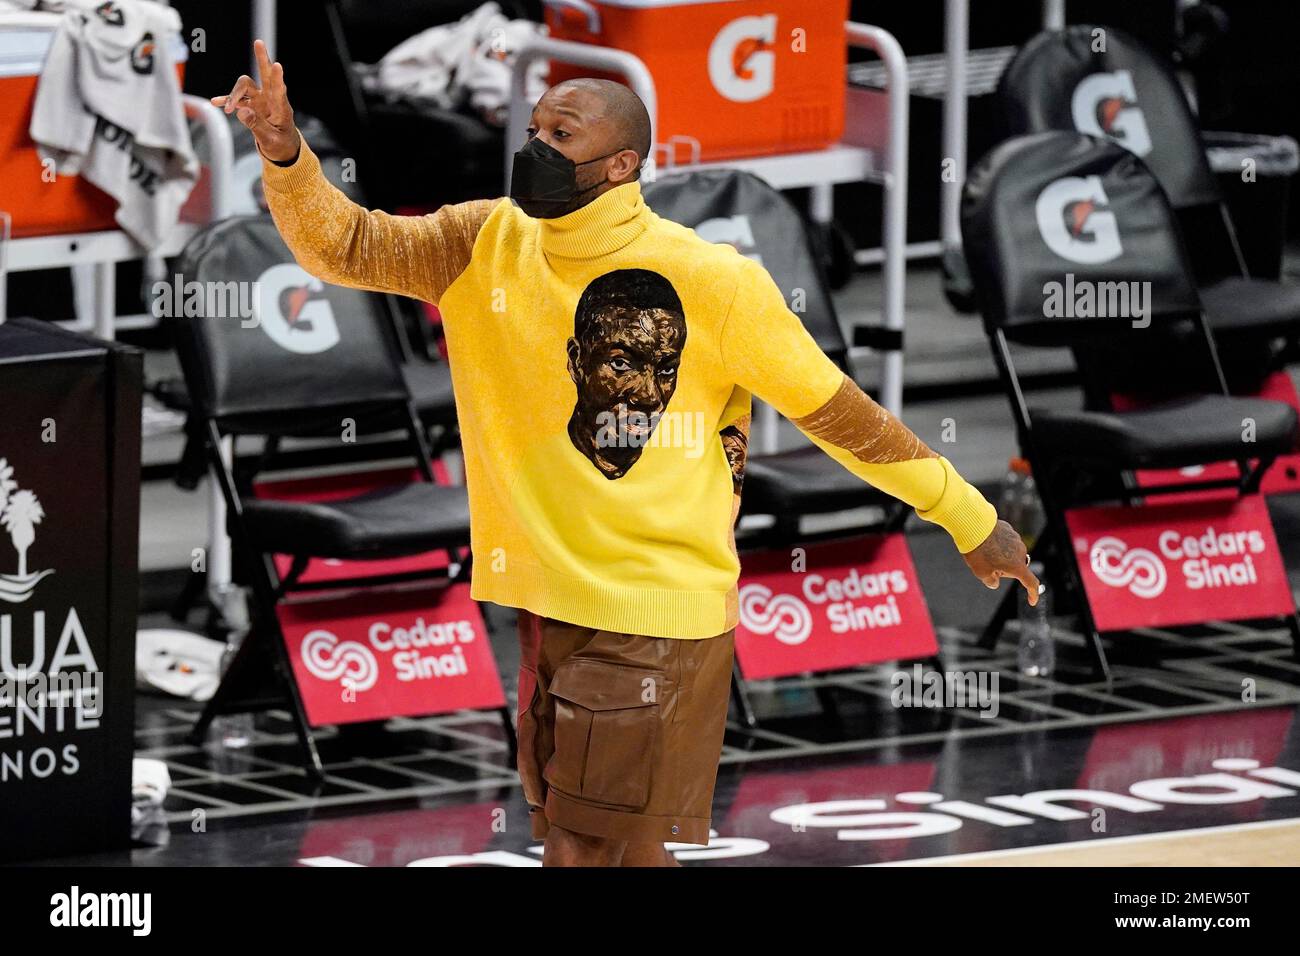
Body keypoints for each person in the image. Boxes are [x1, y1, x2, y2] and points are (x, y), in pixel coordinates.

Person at [214, 39, 1040, 867]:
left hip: (657, 618)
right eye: (533, 127)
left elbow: (844, 417)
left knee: (584, 850)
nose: (534, 149)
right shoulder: (481, 242)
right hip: (551, 606)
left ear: (620, 165)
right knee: (617, 851)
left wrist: (969, 517)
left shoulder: (713, 281)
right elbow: (345, 247)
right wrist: (284, 154)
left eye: (561, 136)